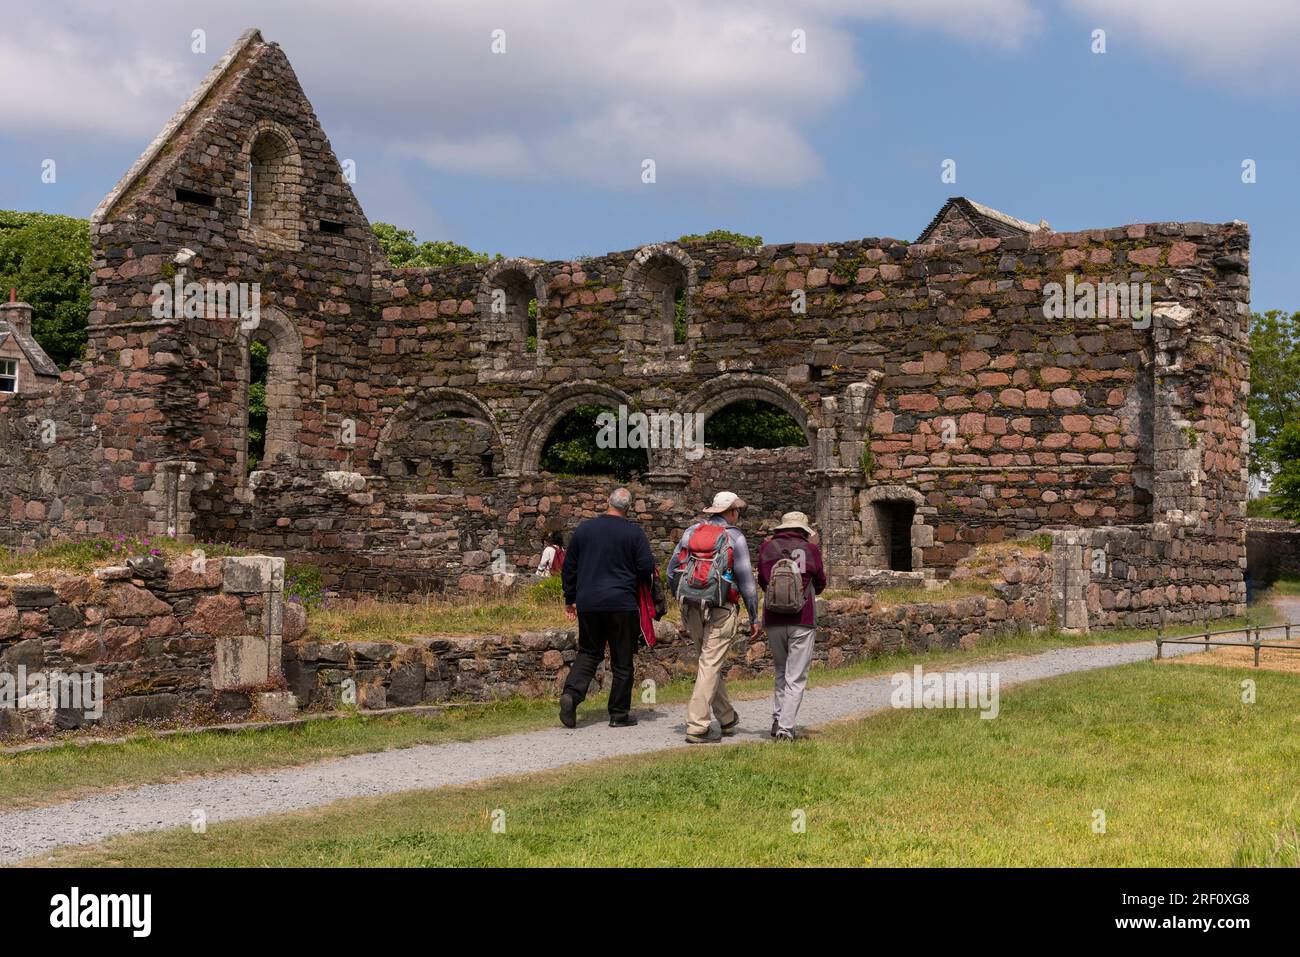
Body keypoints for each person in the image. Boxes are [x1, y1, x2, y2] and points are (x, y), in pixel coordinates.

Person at [667, 491, 760, 744]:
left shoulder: (691, 532)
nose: (738, 515)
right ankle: (697, 725)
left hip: (691, 606)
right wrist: (754, 616)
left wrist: (681, 598)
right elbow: (747, 583)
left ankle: (727, 718)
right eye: (737, 511)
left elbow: (672, 569)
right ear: (731, 512)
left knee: (708, 662)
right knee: (710, 663)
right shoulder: (735, 537)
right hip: (721, 607)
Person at [559, 488, 655, 729]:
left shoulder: (584, 529)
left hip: (589, 602)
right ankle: (619, 713)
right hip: (622, 603)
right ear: (628, 508)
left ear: (607, 502)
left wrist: (570, 597)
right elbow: (646, 567)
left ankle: (571, 694)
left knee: (589, 652)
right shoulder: (634, 533)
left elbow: (569, 567)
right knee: (622, 660)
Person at [757, 511, 826, 741]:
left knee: (780, 671)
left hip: (773, 617)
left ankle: (778, 719)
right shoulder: (811, 550)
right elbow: (821, 583)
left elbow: (763, 582)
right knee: (795, 676)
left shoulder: (767, 548)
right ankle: (786, 729)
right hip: (802, 619)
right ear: (803, 530)